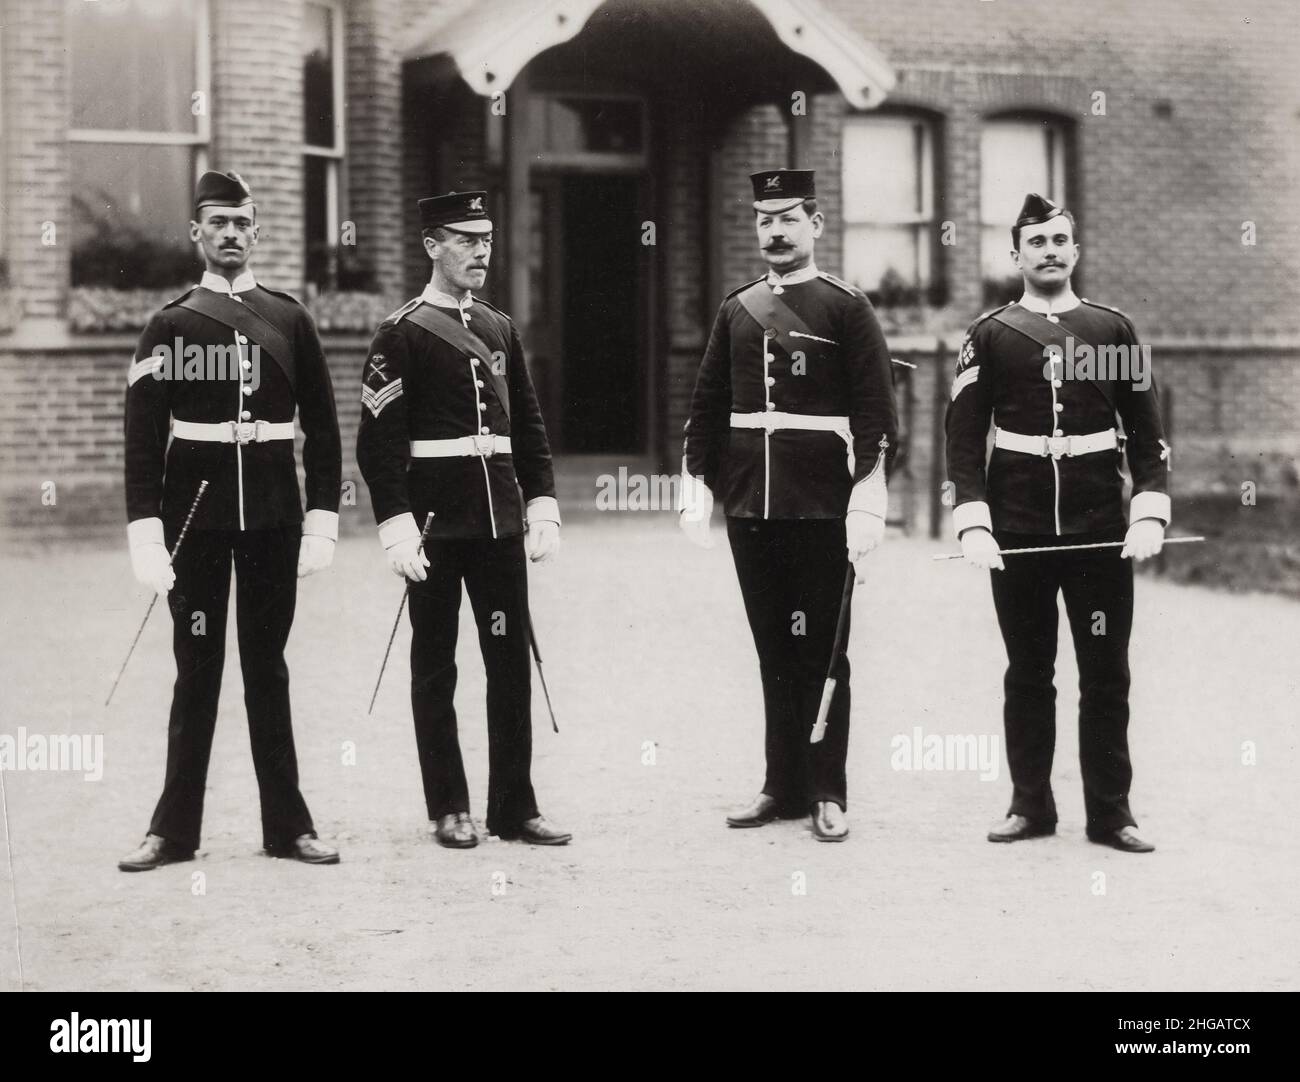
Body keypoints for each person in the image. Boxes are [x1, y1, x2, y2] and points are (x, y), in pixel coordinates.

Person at [119, 170, 342, 871]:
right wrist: (146, 534)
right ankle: (174, 831)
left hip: (274, 516)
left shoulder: (289, 318)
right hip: (197, 524)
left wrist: (322, 518)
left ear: (256, 230)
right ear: (196, 233)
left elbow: (326, 432)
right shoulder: (171, 324)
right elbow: (142, 436)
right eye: (219, 223)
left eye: (243, 223)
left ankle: (289, 826)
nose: (231, 235)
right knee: (197, 670)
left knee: (267, 667)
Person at [945, 193, 1171, 853]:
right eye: (1035, 242)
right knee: (1028, 669)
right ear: (1015, 254)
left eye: (1058, 240)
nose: (1048, 251)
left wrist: (1149, 510)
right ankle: (1029, 805)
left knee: (1106, 672)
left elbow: (1148, 431)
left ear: (1075, 251)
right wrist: (974, 522)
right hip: (1016, 527)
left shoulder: (1110, 331)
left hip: (1100, 526)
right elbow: (963, 439)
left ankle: (1111, 813)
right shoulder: (991, 334)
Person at [680, 169, 898, 842]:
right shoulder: (737, 307)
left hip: (823, 505)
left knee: (824, 654)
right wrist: (698, 482)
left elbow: (875, 411)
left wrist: (868, 493)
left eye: (788, 219)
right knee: (773, 649)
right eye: (764, 220)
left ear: (816, 226)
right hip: (753, 503)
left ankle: (828, 790)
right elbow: (709, 402)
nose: (775, 231)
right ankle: (781, 784)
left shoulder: (846, 307)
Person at [356, 190, 569, 848]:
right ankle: (448, 806)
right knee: (436, 666)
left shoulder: (501, 330)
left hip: (499, 522)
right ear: (431, 247)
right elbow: (378, 442)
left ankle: (514, 806)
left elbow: (527, 426)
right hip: (433, 528)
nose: (481, 251)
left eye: (486, 239)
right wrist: (394, 526)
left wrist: (541, 505)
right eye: (464, 240)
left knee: (510, 665)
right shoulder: (402, 332)